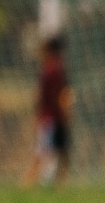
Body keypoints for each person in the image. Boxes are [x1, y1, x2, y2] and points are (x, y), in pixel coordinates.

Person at [24, 35, 73, 188]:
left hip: (51, 117)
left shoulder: (51, 69)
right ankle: (28, 183)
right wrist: (66, 113)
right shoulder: (55, 69)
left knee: (58, 152)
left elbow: (52, 95)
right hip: (52, 118)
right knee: (46, 151)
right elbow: (62, 94)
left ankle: (56, 185)